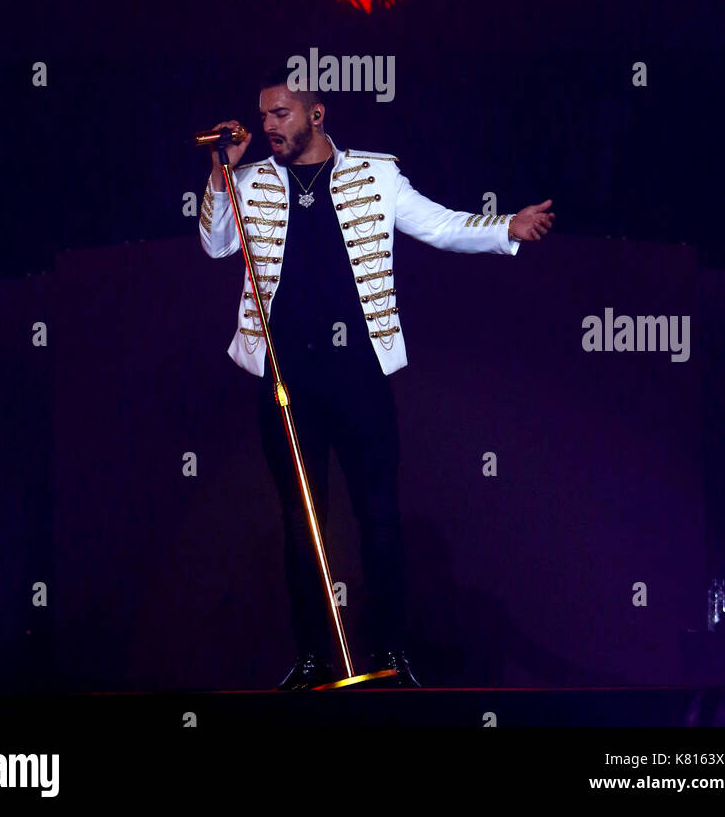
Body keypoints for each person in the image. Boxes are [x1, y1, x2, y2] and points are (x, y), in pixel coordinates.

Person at [199, 67, 554, 689]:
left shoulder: (375, 174)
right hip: (285, 377)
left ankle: (394, 653)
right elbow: (215, 246)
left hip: (359, 372)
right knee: (300, 522)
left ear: (316, 113)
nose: (267, 126)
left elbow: (438, 224)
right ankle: (312, 658)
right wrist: (220, 169)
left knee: (379, 516)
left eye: (280, 113)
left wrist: (505, 229)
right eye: (262, 115)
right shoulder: (248, 180)